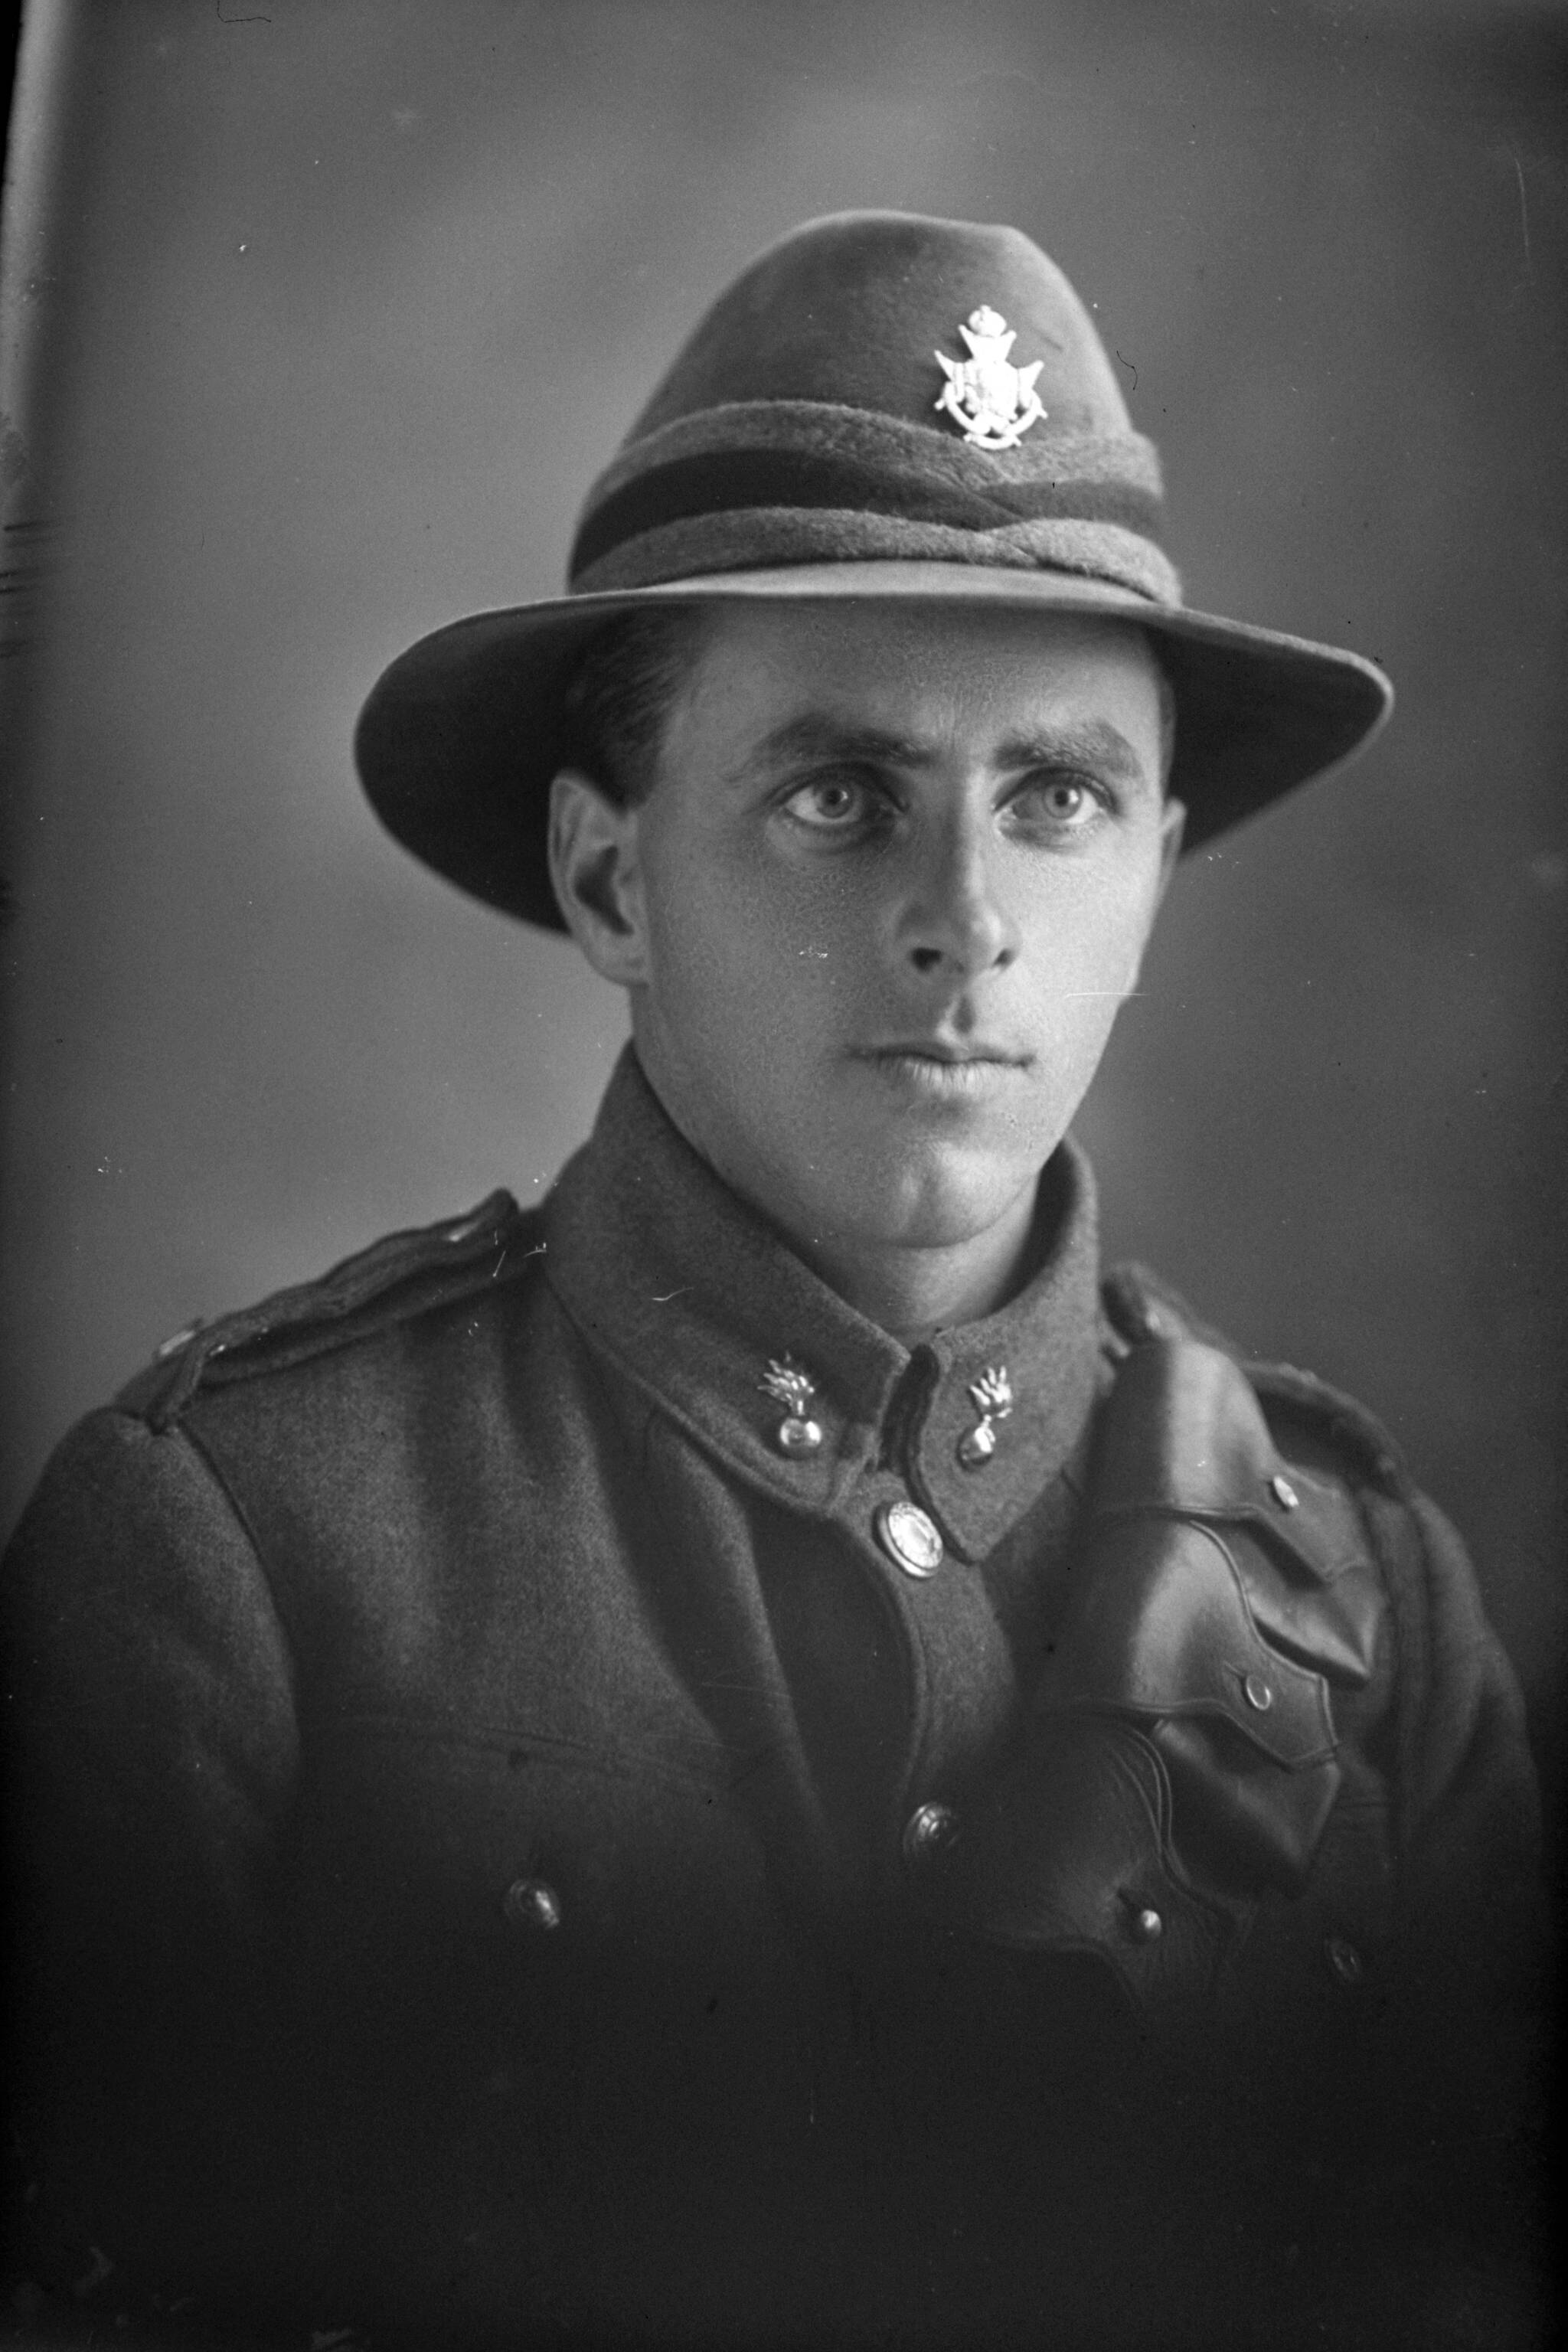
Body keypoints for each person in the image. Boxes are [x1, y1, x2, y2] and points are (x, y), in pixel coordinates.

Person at [3, 212, 1546, 2350]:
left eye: (1062, 800)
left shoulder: (1371, 1599)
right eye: (841, 795)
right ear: (609, 876)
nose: (967, 921)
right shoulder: (241, 1556)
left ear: (1157, 883)